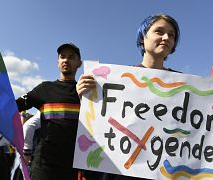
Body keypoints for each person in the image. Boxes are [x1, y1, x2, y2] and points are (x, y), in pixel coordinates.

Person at [77, 13, 180, 180]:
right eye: (159, 31)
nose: (166, 37)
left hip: (163, 170)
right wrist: (86, 97)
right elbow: (100, 121)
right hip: (122, 170)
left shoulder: (183, 86)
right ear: (142, 38)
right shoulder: (115, 81)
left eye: (172, 35)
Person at [16, 43, 102, 180]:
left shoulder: (89, 93)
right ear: (57, 62)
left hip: (73, 168)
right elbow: (14, 106)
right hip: (44, 167)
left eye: (71, 57)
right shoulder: (44, 89)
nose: (66, 60)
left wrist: (83, 100)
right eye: (62, 57)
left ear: (79, 63)